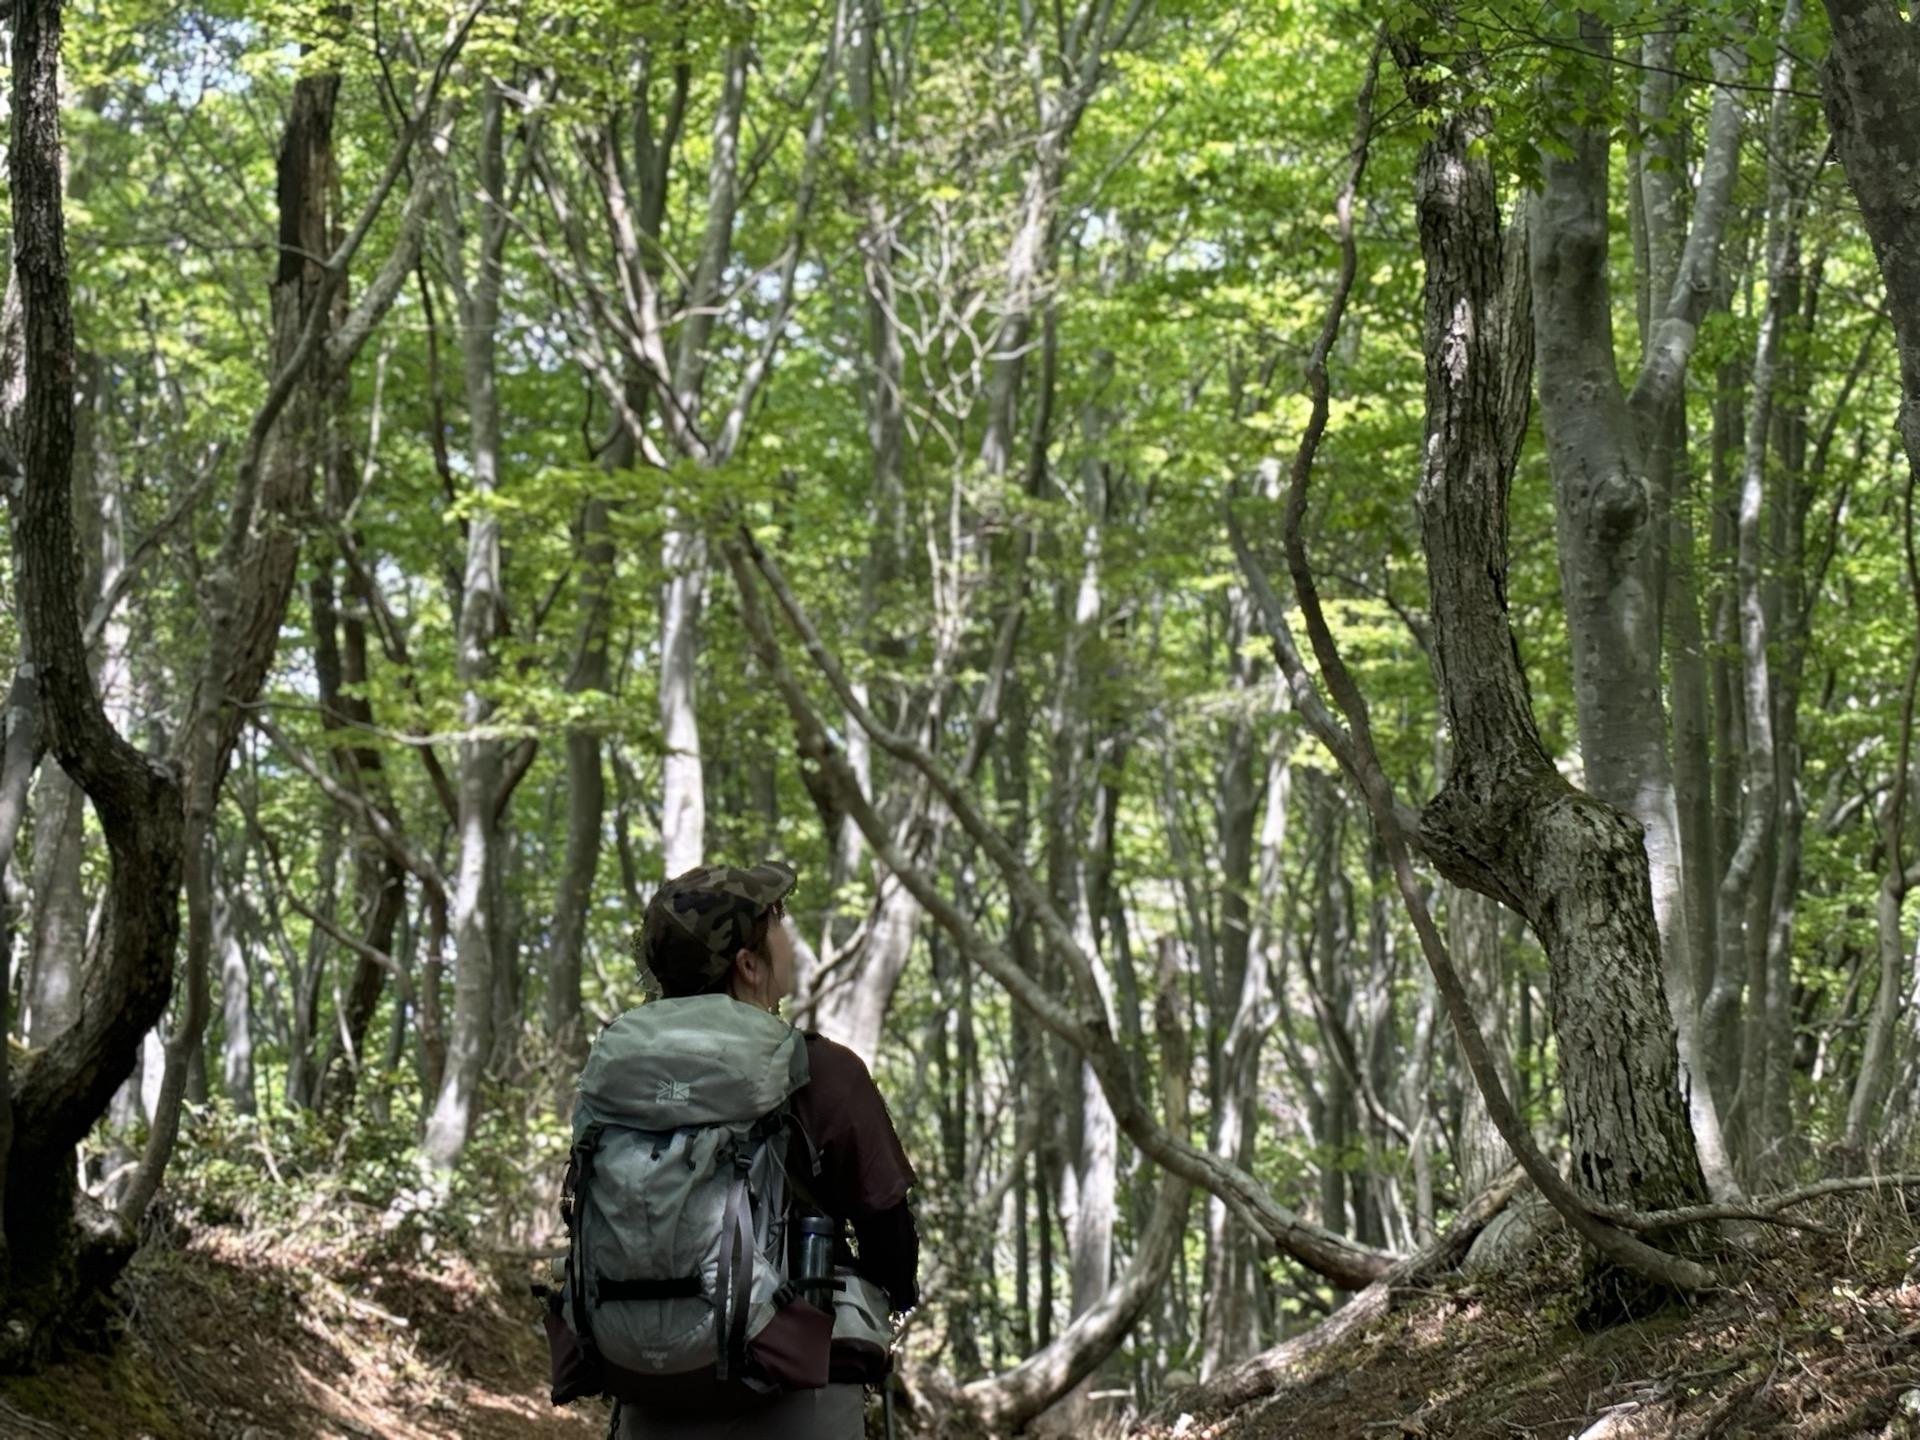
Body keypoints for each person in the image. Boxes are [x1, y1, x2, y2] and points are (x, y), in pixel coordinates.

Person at [611, 861, 919, 1440]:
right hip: (798, 1390)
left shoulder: (624, 1078)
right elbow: (887, 1226)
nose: (788, 929)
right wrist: (889, 1295)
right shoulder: (820, 1071)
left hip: (649, 1384)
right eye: (775, 920)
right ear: (749, 966)